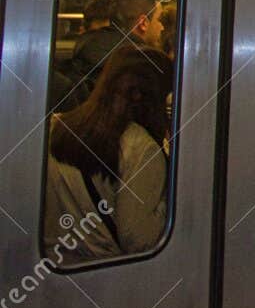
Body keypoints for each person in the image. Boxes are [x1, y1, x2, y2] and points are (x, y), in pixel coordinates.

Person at [44, 45, 174, 262]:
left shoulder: (54, 126)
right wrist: (168, 200)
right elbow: (139, 239)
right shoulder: (142, 149)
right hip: (105, 273)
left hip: (54, 266)